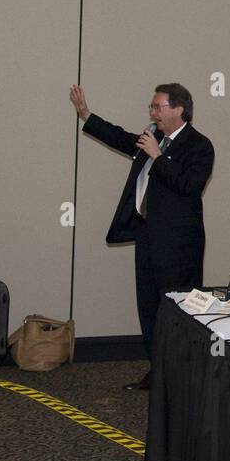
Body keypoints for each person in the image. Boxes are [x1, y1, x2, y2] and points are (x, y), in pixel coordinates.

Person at [69, 83, 214, 391]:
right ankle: (157, 369)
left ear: (178, 109)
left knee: (176, 311)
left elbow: (189, 186)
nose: (152, 113)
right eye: (152, 107)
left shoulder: (199, 146)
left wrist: (159, 157)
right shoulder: (153, 138)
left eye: (157, 107)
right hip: (147, 235)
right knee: (148, 307)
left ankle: (182, 375)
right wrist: (86, 114)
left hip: (178, 245)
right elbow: (121, 138)